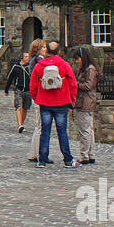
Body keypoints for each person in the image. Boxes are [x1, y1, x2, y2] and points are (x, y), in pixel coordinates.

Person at [30, 39, 79, 168]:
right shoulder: (64, 65)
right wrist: (71, 100)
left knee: (45, 132)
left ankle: (42, 160)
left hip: (45, 103)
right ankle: (68, 160)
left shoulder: (40, 66)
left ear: (46, 51)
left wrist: (37, 98)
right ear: (58, 52)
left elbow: (33, 85)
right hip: (61, 102)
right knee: (62, 132)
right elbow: (73, 84)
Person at [74, 46, 100, 164]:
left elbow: (88, 85)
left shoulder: (89, 69)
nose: (76, 61)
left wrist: (75, 84)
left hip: (85, 102)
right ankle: (91, 154)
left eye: (78, 58)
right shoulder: (89, 69)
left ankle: (84, 155)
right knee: (89, 130)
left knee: (84, 130)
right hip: (87, 101)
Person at [6, 51, 33, 136]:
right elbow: (10, 78)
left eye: (28, 56)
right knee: (19, 106)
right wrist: (6, 89)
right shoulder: (16, 67)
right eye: (26, 56)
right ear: (22, 58)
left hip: (28, 90)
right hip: (19, 89)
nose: (28, 58)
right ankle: (20, 125)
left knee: (25, 108)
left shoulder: (30, 67)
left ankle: (22, 123)